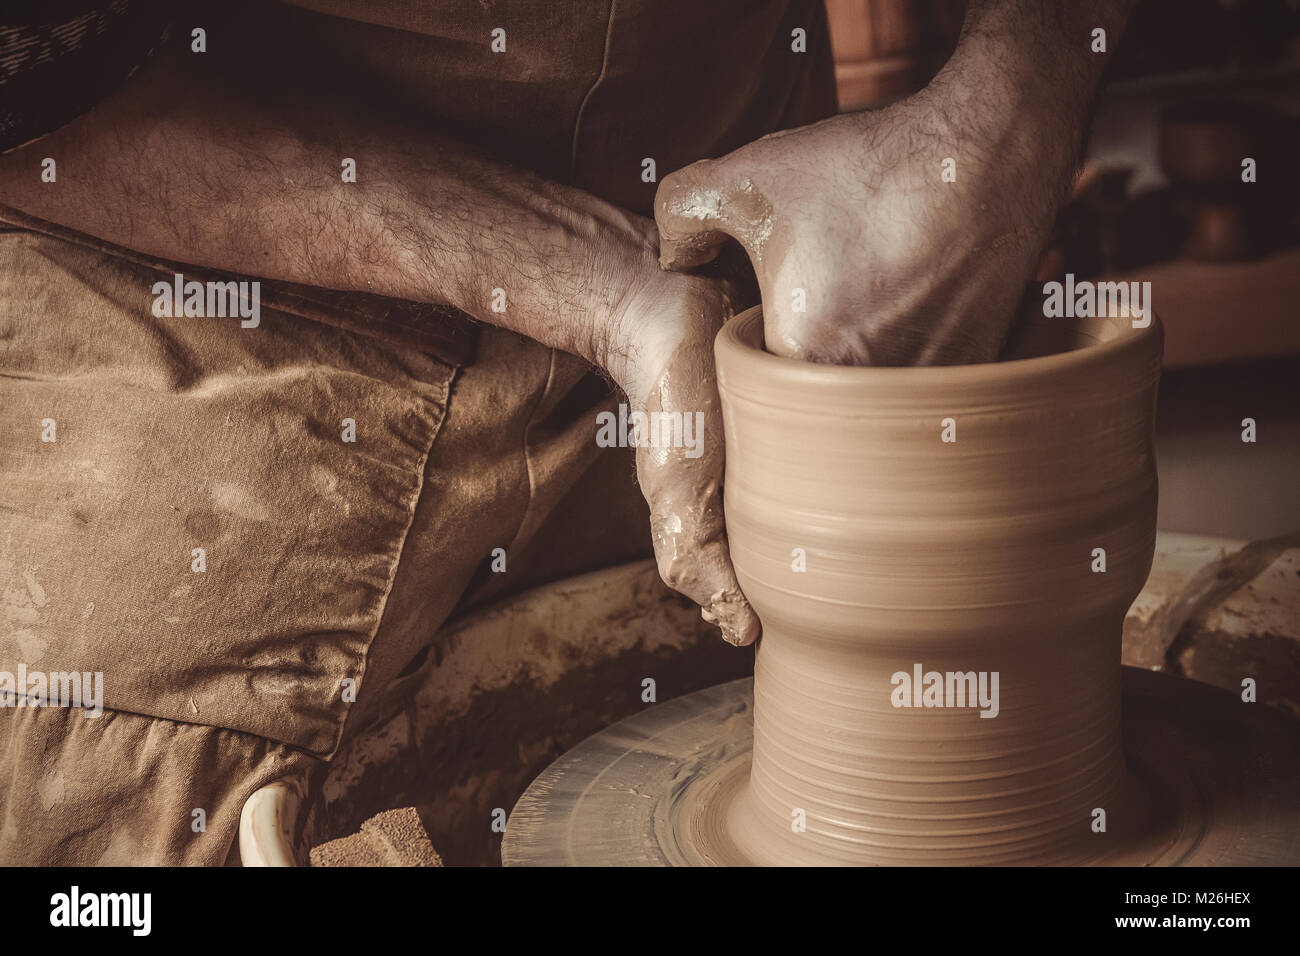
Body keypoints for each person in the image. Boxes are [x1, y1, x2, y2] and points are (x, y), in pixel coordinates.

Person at [0, 0, 1132, 864]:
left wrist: (1001, 119)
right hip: (207, 296)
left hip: (756, 244)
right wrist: (604, 292)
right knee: (121, 787)